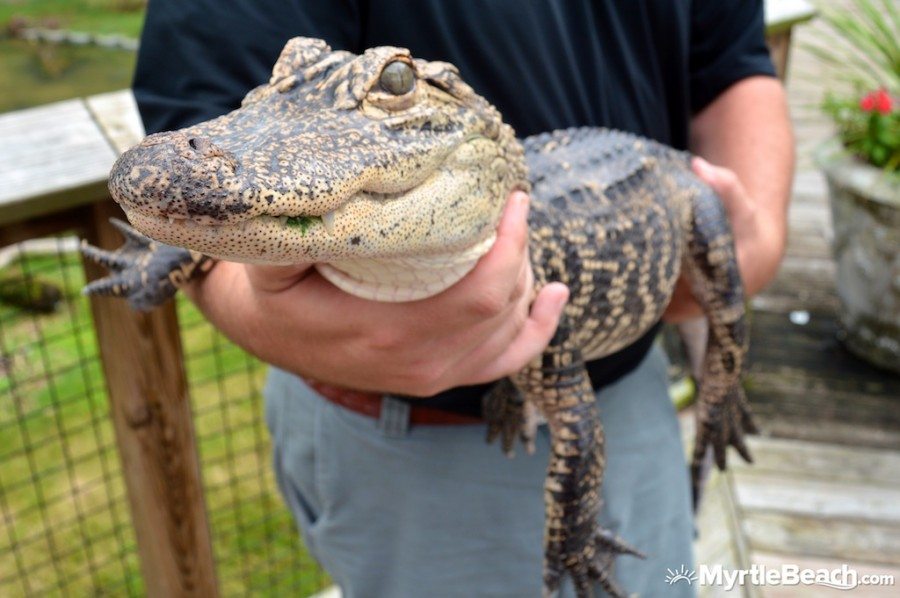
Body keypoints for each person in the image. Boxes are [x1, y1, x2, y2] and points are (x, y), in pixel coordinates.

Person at [133, 1, 794, 596]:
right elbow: (227, 173)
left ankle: (720, 395)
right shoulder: (308, 159)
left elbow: (732, 60)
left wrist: (758, 242)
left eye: (392, 87)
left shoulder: (527, 248)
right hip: (400, 440)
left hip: (630, 373)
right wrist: (209, 269)